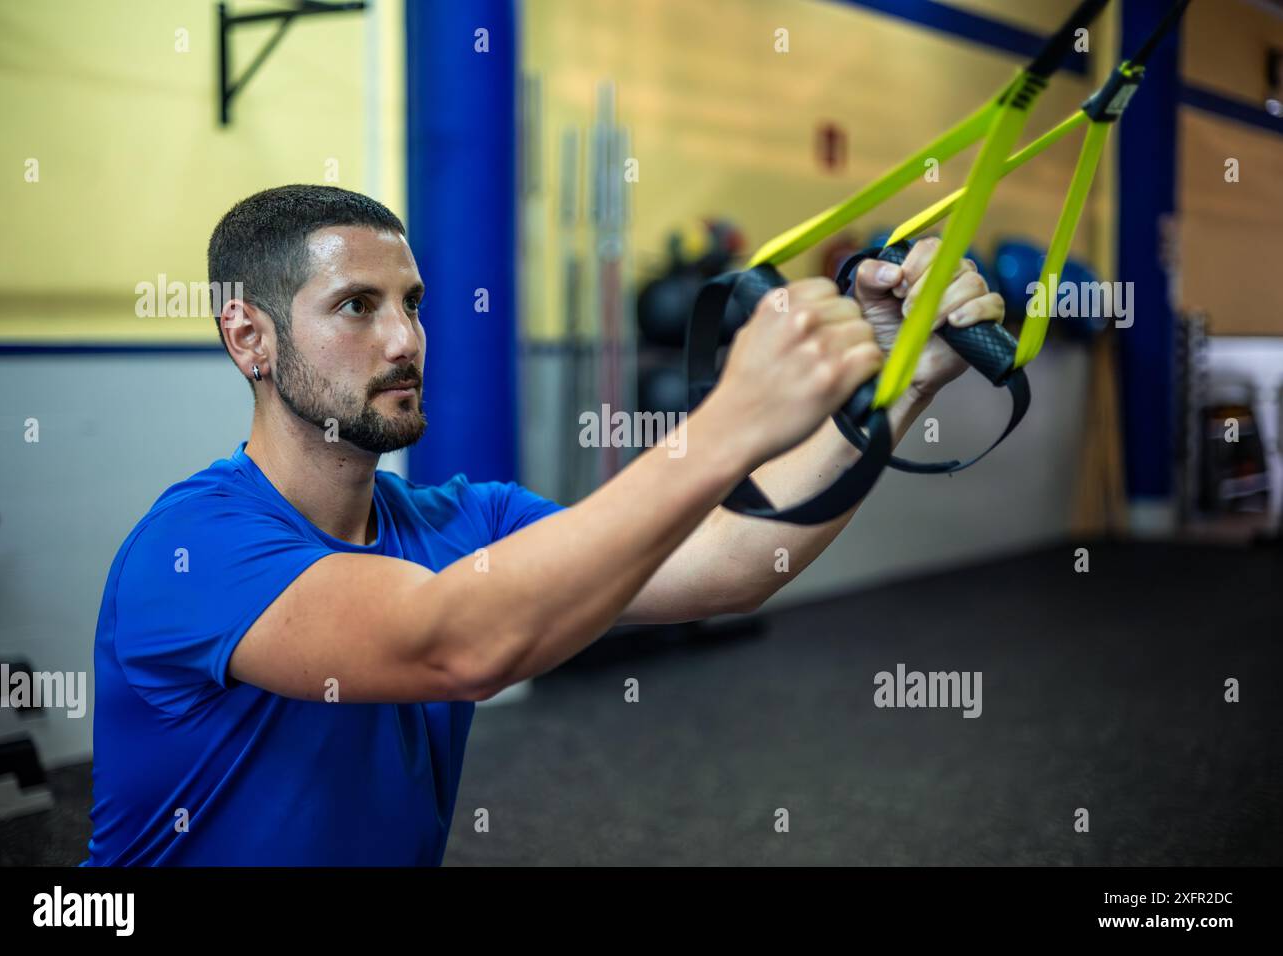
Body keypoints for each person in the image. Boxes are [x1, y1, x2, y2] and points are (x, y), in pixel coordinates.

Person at [82, 185, 1004, 865]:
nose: (405, 341)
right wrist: (732, 421)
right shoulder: (195, 547)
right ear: (248, 337)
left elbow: (732, 557)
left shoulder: (467, 520)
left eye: (413, 304)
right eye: (358, 307)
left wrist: (900, 381)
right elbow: (454, 643)